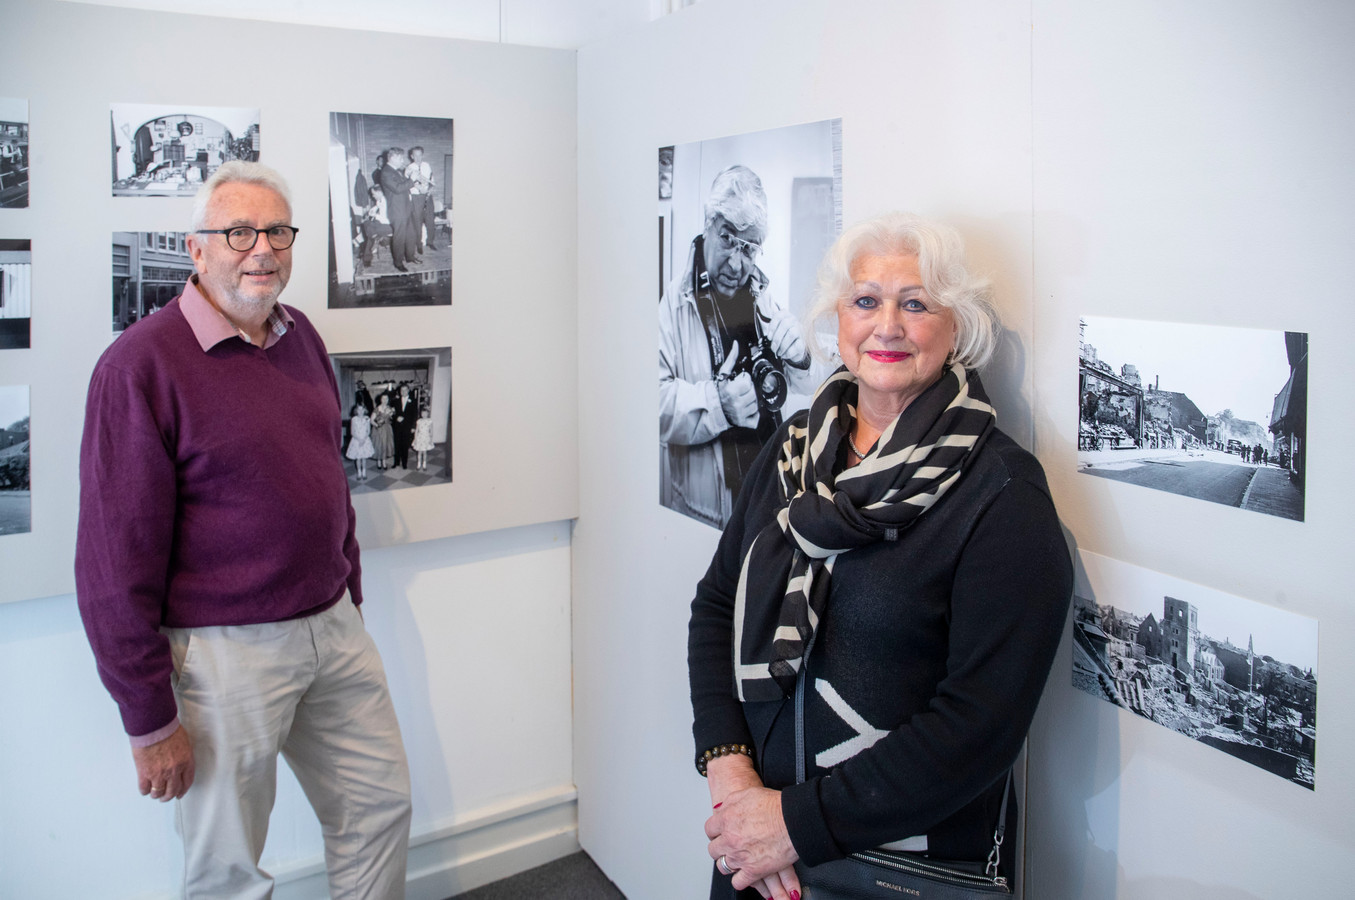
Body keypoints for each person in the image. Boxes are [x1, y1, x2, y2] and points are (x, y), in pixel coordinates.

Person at [689, 213, 1072, 900]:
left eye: (916, 303)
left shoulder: (1002, 495)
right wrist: (728, 769)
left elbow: (978, 728)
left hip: (898, 869)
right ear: (837, 318)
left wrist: (794, 823)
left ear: (957, 327)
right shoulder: (791, 451)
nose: (886, 325)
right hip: (756, 847)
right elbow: (716, 604)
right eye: (865, 300)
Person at [75, 161, 412, 899]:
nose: (261, 248)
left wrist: (348, 589)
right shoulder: (138, 366)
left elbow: (327, 474)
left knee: (379, 811)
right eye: (238, 232)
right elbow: (110, 562)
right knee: (227, 870)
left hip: (333, 631)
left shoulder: (301, 337)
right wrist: (147, 717)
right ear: (197, 250)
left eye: (277, 231)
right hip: (223, 657)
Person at [659, 165, 816, 529]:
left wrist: (801, 355)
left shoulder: (762, 295)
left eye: (748, 249)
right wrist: (719, 404)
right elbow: (652, 405)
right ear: (708, 224)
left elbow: (805, 384)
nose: (736, 263)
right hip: (707, 511)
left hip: (767, 493)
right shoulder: (671, 304)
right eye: (727, 238)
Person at [380, 148, 417, 271]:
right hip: (397, 210)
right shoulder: (386, 172)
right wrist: (412, 180)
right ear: (393, 158)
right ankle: (398, 262)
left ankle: (410, 256)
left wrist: (409, 177)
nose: (403, 160)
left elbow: (403, 185)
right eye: (401, 158)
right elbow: (397, 188)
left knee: (410, 234)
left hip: (405, 208)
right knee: (399, 237)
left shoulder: (396, 171)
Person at [404, 146, 441, 254]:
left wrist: (429, 190)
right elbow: (409, 185)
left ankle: (430, 242)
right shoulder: (409, 168)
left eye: (420, 155)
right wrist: (419, 189)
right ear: (411, 156)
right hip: (416, 198)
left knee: (430, 220)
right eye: (415, 155)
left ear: (422, 155)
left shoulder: (427, 166)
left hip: (428, 197)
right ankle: (419, 244)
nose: (418, 158)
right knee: (417, 222)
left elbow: (431, 180)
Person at [360, 185, 394, 267]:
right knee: (367, 223)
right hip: (382, 224)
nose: (372, 196)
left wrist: (375, 215)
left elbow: (388, 220)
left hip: (390, 226)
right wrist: (373, 209)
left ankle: (367, 257)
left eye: (373, 194)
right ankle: (373, 237)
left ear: (379, 192)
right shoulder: (380, 200)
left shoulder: (387, 202)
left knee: (369, 230)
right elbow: (378, 206)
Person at [392, 383, 418, 470]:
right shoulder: (395, 401)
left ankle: (404, 463)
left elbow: (415, 414)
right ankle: (396, 462)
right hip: (397, 426)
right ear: (400, 391)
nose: (403, 392)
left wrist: (414, 427)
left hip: (407, 426)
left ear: (408, 390)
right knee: (397, 444)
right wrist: (396, 417)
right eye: (401, 390)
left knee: (405, 445)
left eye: (405, 390)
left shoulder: (413, 401)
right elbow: (392, 414)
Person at [347, 402, 375, 480]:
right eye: (359, 410)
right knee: (358, 458)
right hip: (356, 440)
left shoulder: (367, 419)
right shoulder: (354, 419)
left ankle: (364, 472)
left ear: (364, 410)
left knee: (364, 458)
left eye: (362, 410)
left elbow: (368, 431)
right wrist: (359, 439)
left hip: (365, 440)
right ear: (356, 411)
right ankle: (359, 472)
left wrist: (363, 439)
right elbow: (352, 432)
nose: (360, 412)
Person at [372, 392, 396, 470]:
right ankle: (379, 462)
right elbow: (371, 420)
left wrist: (391, 413)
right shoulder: (377, 408)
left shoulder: (390, 408)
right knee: (379, 445)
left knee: (386, 445)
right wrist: (377, 425)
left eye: (386, 399)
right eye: (383, 398)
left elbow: (392, 418)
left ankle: (384, 462)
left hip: (387, 429)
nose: (385, 400)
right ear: (380, 399)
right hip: (379, 430)